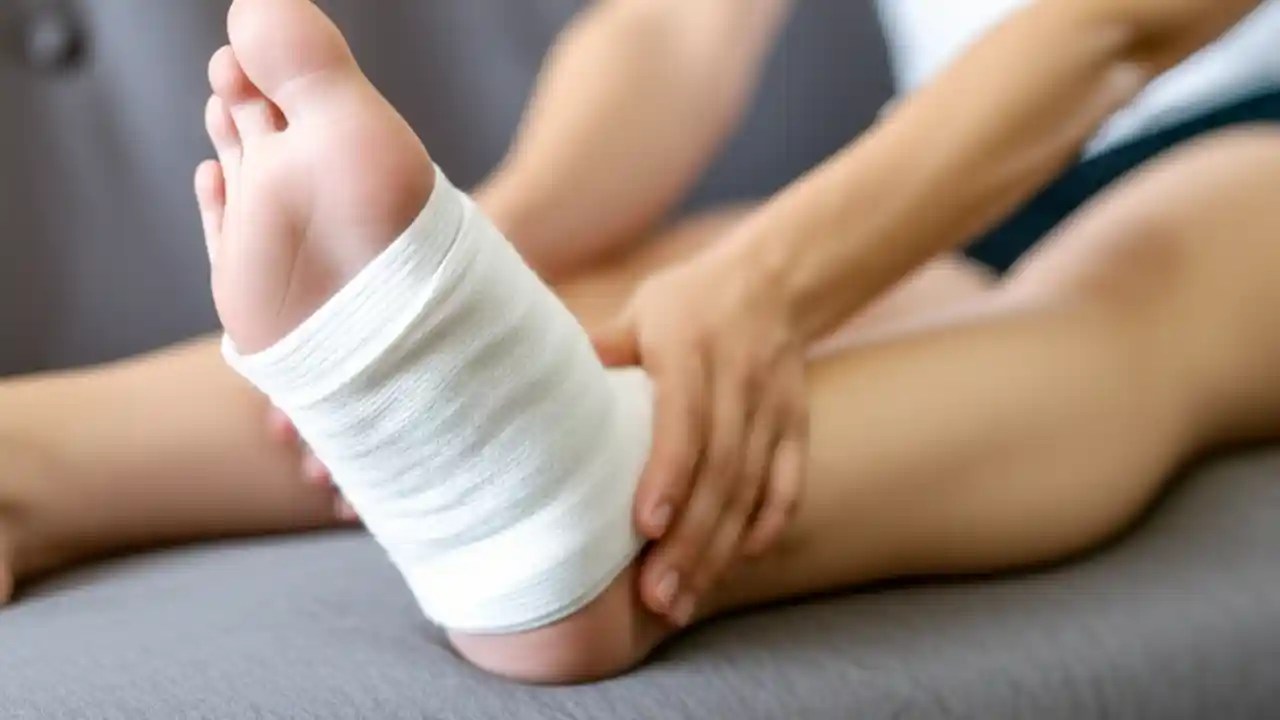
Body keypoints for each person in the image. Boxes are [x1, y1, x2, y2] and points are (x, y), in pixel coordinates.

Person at [2, 0, 1279, 685]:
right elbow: (673, 29)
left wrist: (770, 282)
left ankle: (573, 533)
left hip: (1240, 115)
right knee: (626, 292)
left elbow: (1115, 30)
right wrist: (488, 247)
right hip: (961, 148)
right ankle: (33, 462)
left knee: (1149, 283)